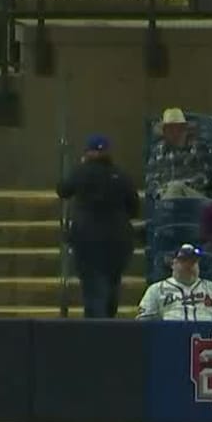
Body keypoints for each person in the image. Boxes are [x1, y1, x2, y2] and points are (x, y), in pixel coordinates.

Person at [57, 134, 139, 319]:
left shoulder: (81, 172)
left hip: (88, 239)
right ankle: (108, 323)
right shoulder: (121, 175)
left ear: (88, 152)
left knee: (94, 290)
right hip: (119, 240)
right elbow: (134, 208)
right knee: (112, 285)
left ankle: (97, 332)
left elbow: (62, 189)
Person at [136, 244, 212, 321]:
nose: (189, 266)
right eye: (184, 261)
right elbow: (144, 324)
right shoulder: (156, 289)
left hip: (204, 340)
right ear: (173, 264)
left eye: (193, 262)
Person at [146, 108, 212, 200]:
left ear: (184, 129)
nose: (174, 133)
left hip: (193, 198)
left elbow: (204, 179)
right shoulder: (158, 150)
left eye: (177, 128)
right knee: (170, 194)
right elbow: (151, 180)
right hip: (165, 197)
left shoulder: (198, 148)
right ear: (164, 132)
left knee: (175, 188)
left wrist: (179, 186)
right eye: (170, 129)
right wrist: (163, 191)